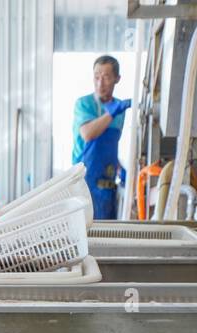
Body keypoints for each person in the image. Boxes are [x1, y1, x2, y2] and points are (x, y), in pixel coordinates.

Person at [73, 55, 131, 220]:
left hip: (108, 186)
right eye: (97, 76)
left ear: (117, 79)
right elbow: (88, 134)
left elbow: (110, 146)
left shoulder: (119, 110)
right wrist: (111, 113)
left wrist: (120, 168)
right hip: (84, 183)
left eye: (106, 77)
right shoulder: (84, 104)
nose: (100, 83)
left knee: (106, 235)